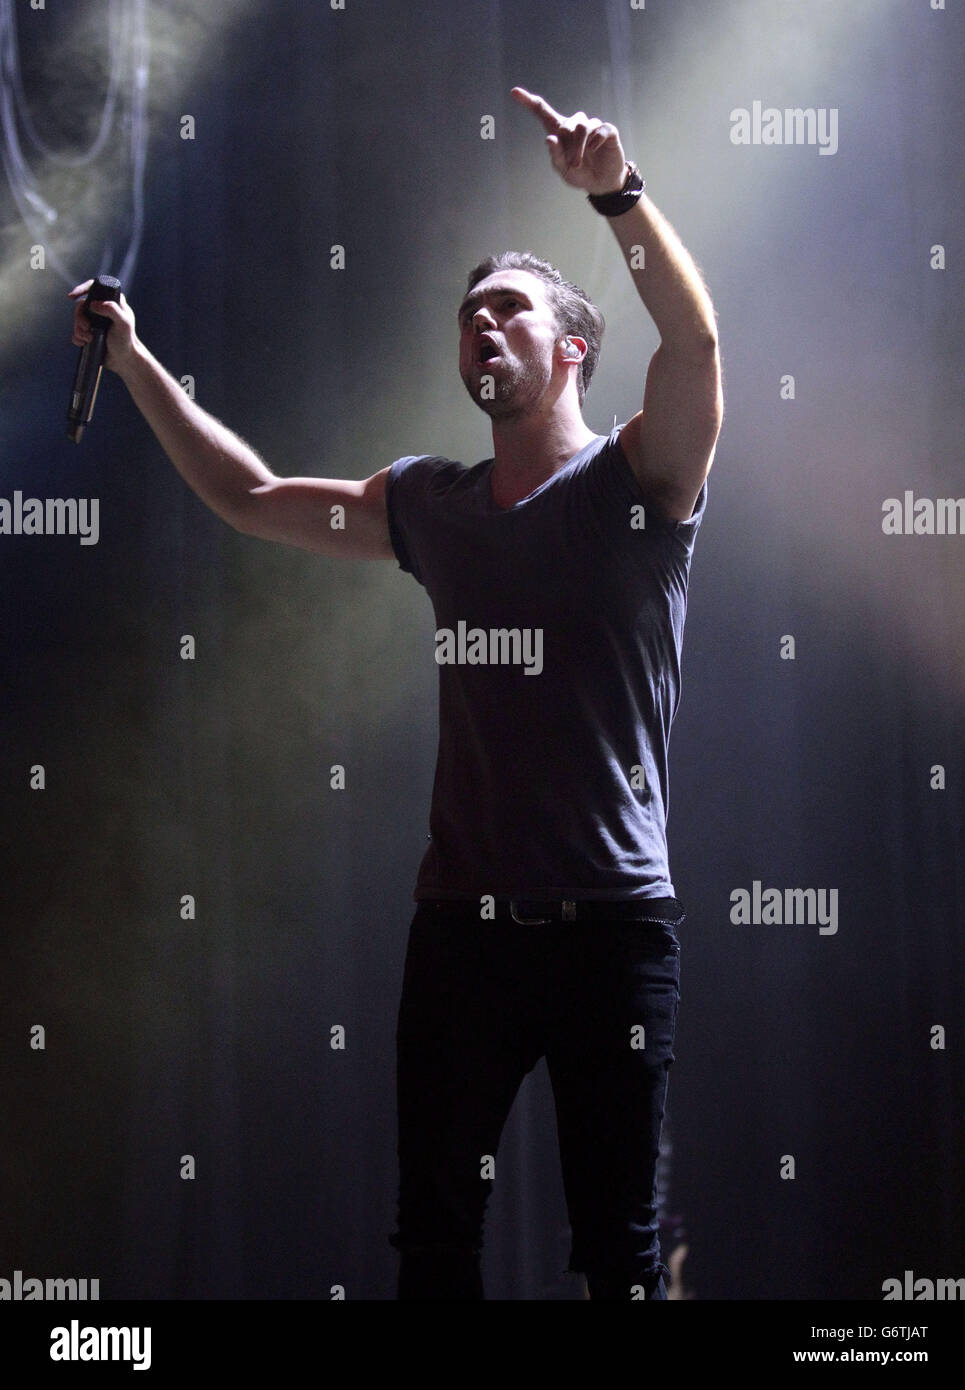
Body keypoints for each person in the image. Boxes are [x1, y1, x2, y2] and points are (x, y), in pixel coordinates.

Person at [69, 85, 722, 1302]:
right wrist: (134, 358)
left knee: (624, 1263)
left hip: (614, 936)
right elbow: (253, 498)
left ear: (571, 346)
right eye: (468, 314)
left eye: (508, 310)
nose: (480, 327)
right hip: (460, 936)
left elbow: (694, 347)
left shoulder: (639, 483)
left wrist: (620, 199)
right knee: (433, 1249)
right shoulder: (433, 503)